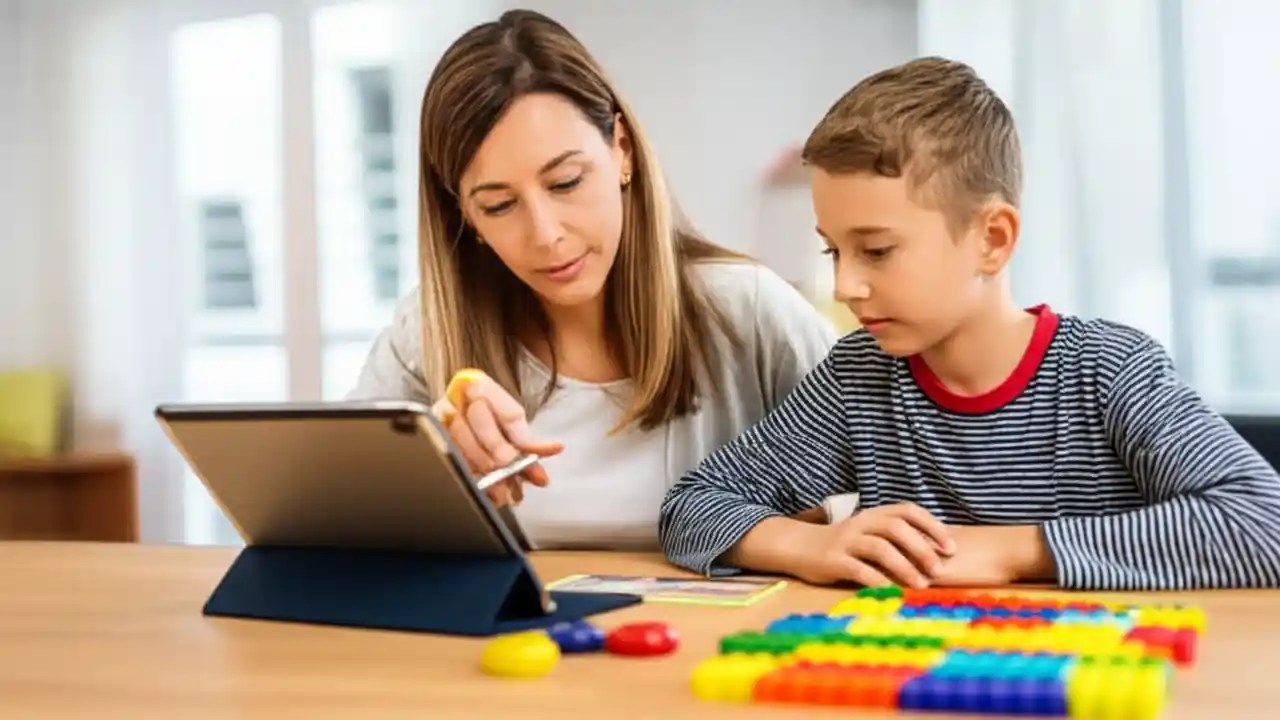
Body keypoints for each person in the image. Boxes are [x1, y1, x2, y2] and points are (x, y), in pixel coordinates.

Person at [658, 56, 1280, 591]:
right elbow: (692, 506)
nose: (846, 286)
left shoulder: (1109, 370)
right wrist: (812, 547)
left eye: (876, 251)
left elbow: (1262, 520)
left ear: (993, 239)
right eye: (833, 251)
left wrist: (1012, 552)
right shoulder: (859, 380)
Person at [347, 10, 836, 550]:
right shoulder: (428, 331)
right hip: (526, 636)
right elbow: (329, 525)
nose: (547, 234)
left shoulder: (750, 311)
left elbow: (887, 485)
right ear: (464, 215)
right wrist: (425, 471)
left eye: (566, 182)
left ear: (621, 149)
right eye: (500, 204)